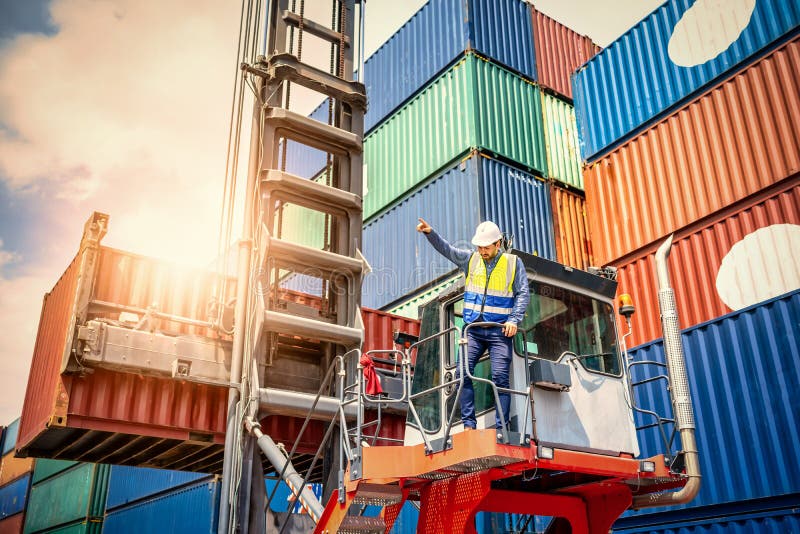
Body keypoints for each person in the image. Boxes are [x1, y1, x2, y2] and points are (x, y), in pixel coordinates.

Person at [416, 217, 529, 431]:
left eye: (486, 247)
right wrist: (430, 233)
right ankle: (469, 424)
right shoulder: (470, 259)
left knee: (500, 378)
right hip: (472, 331)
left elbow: (523, 293)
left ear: (498, 244)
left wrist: (514, 320)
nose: (482, 251)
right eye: (479, 247)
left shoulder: (513, 264)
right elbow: (447, 250)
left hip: (499, 333)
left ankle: (501, 428)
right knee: (462, 374)